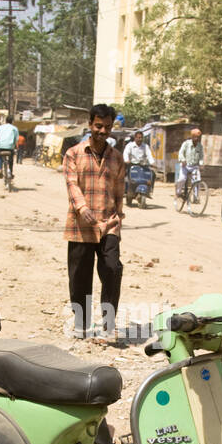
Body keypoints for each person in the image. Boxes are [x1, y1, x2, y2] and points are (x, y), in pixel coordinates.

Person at [63, 104, 125, 342]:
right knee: (80, 275)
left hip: (108, 223)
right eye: (99, 126)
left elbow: (119, 189)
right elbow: (71, 184)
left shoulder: (116, 158)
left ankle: (109, 325)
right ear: (90, 124)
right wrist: (82, 208)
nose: (103, 131)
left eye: (107, 127)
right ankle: (82, 324)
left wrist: (119, 215)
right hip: (81, 224)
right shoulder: (74, 154)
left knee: (112, 269)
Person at [176, 128, 203, 198]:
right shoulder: (186, 144)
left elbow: (201, 157)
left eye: (198, 137)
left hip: (194, 167)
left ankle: (196, 197)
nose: (196, 138)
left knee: (197, 181)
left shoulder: (200, 146)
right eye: (195, 137)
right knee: (182, 179)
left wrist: (201, 164)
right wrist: (182, 160)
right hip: (185, 166)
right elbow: (181, 153)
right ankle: (178, 192)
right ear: (192, 136)